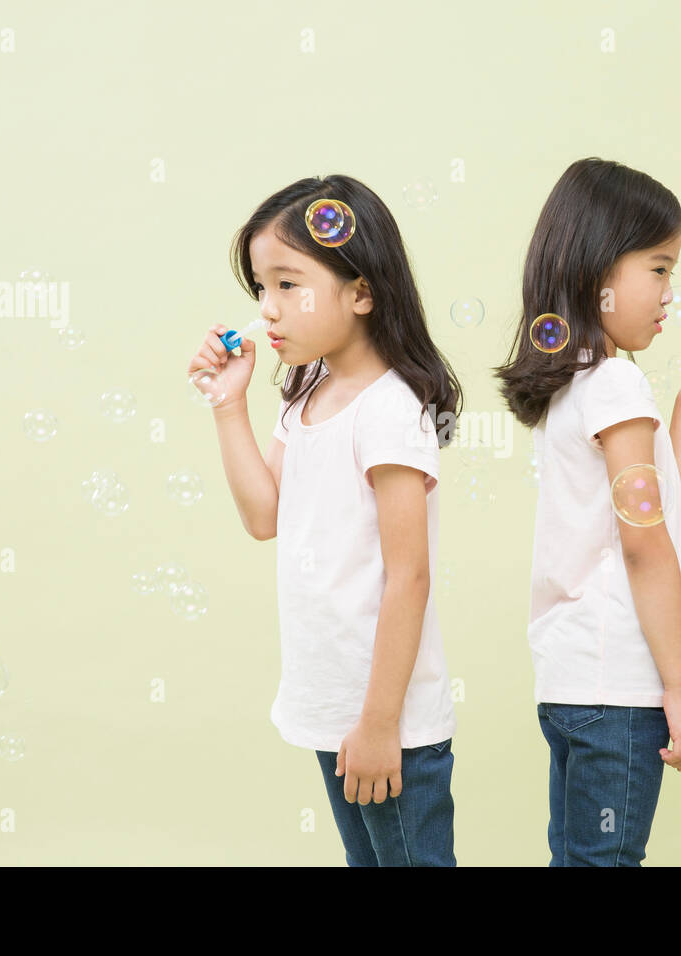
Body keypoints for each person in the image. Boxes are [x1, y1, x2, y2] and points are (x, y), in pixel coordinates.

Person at [189, 175, 463, 866]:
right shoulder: (308, 391)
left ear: (362, 292)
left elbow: (410, 578)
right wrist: (228, 405)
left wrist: (379, 724)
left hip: (385, 720)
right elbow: (263, 516)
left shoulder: (391, 411)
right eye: (260, 287)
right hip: (332, 705)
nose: (266, 309)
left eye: (288, 284)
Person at [494, 157, 681, 865]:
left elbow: (658, 514)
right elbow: (646, 547)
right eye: (659, 269)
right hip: (621, 687)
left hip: (575, 685)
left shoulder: (577, 385)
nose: (670, 292)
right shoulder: (616, 386)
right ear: (598, 269)